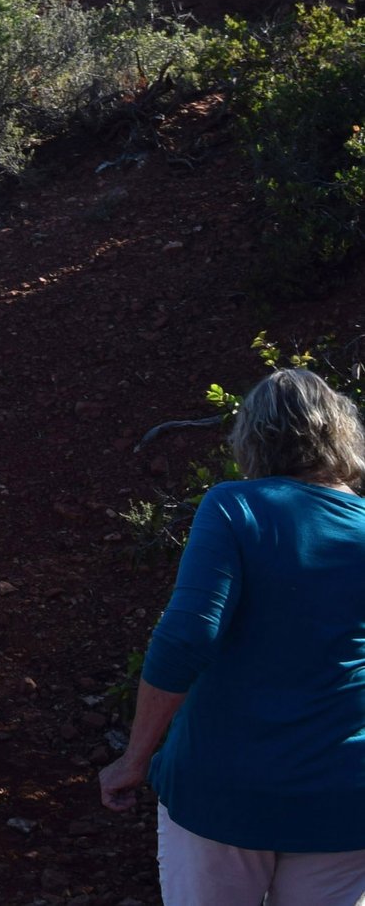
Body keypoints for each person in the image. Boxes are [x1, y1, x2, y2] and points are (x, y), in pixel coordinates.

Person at [97, 367, 365, 904]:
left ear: (253, 438)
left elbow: (188, 636)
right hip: (345, 798)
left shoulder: (234, 505)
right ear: (340, 433)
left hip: (223, 787)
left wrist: (135, 758)